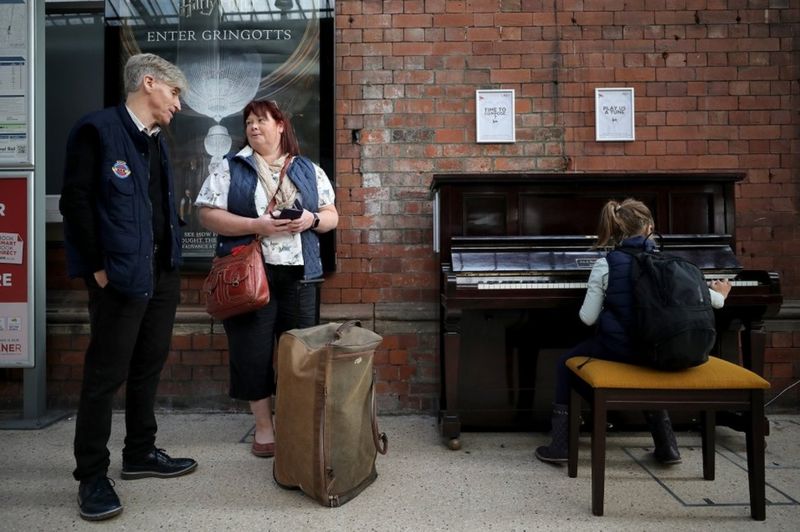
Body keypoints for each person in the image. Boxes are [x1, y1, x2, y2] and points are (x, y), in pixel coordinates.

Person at [60, 53, 197, 522]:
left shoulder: (156, 142)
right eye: (175, 93)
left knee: (148, 365)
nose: (178, 104)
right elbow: (75, 202)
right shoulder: (96, 130)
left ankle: (139, 451)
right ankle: (92, 476)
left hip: (160, 274)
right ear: (149, 83)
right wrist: (97, 267)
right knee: (105, 376)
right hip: (118, 276)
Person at [534, 198, 731, 464]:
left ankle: (561, 446)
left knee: (564, 364)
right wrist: (721, 294)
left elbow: (588, 319)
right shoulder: (668, 265)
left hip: (621, 350)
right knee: (650, 360)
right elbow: (712, 302)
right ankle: (667, 446)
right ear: (650, 227)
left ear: (615, 229)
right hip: (661, 349)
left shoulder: (606, 265)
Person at [195, 99, 338, 458]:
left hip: (301, 275)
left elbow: (332, 214)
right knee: (253, 353)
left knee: (301, 354)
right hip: (249, 275)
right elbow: (208, 216)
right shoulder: (231, 168)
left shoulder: (308, 169)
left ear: (280, 126)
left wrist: (312, 221)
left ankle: (295, 422)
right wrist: (256, 226)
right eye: (248, 123)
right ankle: (264, 428)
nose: (253, 128)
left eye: (261, 121)